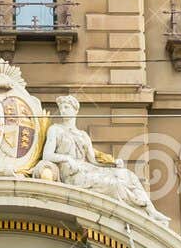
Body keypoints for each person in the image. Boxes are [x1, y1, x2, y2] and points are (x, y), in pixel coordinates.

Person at [43, 95, 169, 225]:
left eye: (66, 107)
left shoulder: (83, 135)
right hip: (73, 174)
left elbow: (93, 160)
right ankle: (139, 216)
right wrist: (67, 158)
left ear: (75, 110)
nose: (63, 110)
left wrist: (113, 164)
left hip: (87, 168)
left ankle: (151, 211)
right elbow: (47, 155)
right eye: (61, 107)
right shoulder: (55, 129)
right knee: (114, 185)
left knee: (128, 175)